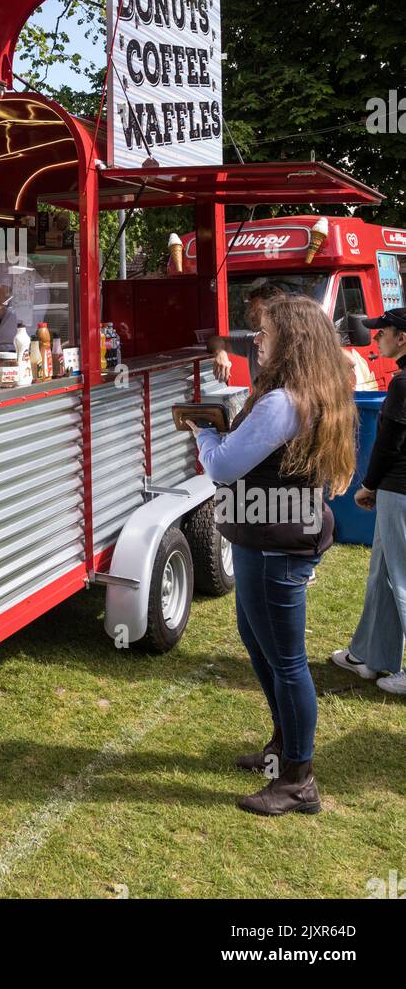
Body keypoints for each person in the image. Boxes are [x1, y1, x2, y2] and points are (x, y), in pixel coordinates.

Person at [188, 296, 357, 816]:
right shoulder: (306, 391)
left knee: (285, 662)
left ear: (291, 341)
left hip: (275, 541)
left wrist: (204, 432)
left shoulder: (284, 401)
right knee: (262, 649)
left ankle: (298, 780)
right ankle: (283, 750)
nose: (255, 341)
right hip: (273, 535)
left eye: (263, 334)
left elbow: (222, 467)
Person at [332, 307, 406, 695]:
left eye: (383, 333)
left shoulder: (402, 383)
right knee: (382, 574)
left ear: (402, 338)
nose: (376, 340)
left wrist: (369, 485)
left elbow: (388, 443)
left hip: (399, 488)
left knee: (402, 577)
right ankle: (370, 656)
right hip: (396, 488)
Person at [208, 282, 284, 386]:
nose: (249, 314)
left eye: (255, 310)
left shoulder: (293, 344)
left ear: (273, 311)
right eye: (249, 309)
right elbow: (215, 340)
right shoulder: (252, 341)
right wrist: (220, 352)